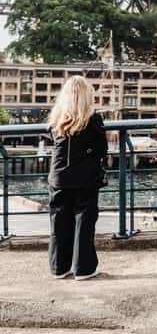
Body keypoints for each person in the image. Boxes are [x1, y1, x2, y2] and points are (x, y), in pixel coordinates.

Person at [47, 76, 108, 280]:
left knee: (59, 222)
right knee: (84, 221)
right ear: (86, 96)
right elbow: (102, 149)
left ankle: (59, 267)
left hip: (59, 176)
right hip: (85, 177)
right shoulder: (93, 119)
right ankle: (83, 268)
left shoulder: (56, 119)